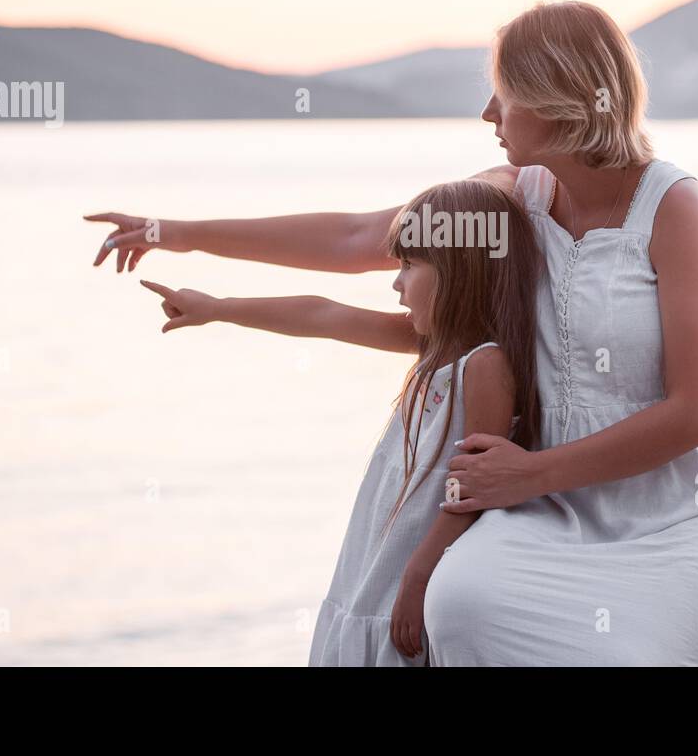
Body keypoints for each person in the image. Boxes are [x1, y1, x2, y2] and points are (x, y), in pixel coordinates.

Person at [86, 0, 698, 665]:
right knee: (459, 602)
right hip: (555, 509)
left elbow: (693, 413)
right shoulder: (509, 203)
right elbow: (357, 237)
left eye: (503, 96)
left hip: (674, 512)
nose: (488, 115)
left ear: (556, 99)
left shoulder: (671, 205)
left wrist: (527, 474)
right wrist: (173, 234)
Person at [133, 179, 542, 665]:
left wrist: (417, 577)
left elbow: (472, 487)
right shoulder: (434, 348)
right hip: (372, 565)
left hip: (411, 576)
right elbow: (323, 314)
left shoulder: (485, 364)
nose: (396, 283)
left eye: (409, 266)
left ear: (459, 270)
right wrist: (219, 309)